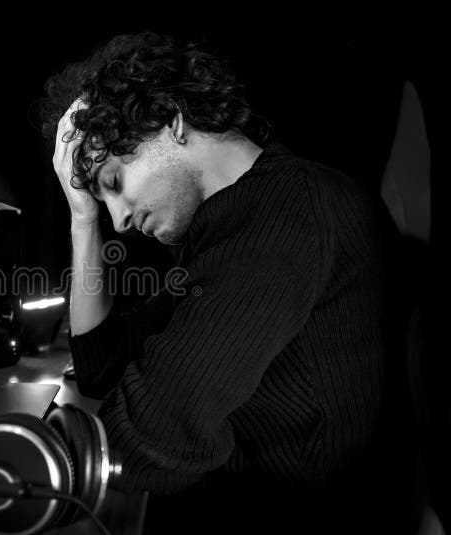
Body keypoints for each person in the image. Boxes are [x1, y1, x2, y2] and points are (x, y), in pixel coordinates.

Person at [41, 31, 418, 534]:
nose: (120, 220)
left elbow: (152, 437)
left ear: (170, 121)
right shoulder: (226, 226)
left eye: (113, 183)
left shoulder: (289, 213)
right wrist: (81, 219)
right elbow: (100, 366)